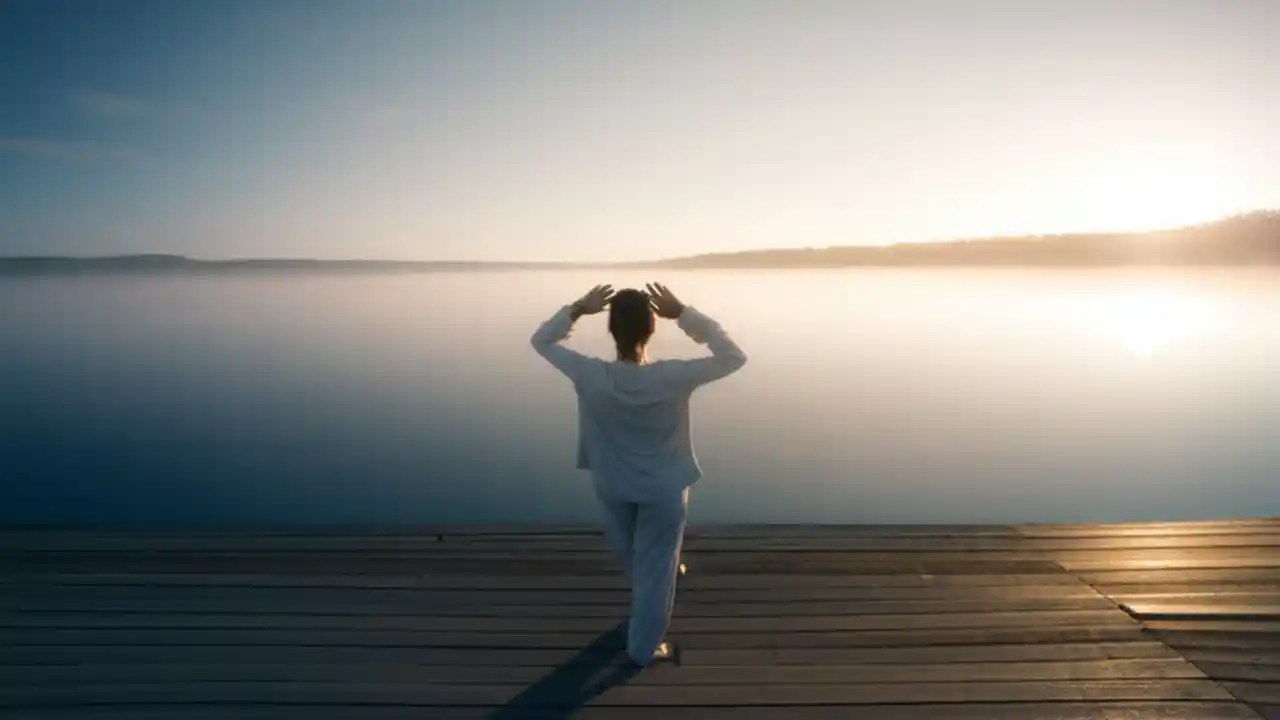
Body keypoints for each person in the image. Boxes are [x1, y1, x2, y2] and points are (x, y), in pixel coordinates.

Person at [530, 282, 747, 666]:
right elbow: (733, 357)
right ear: (652, 329)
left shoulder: (589, 374)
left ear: (612, 330)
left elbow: (541, 341)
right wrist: (684, 314)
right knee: (655, 569)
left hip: (613, 483)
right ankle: (644, 649)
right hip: (663, 487)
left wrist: (579, 308)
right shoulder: (671, 376)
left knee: (633, 553)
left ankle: (655, 592)